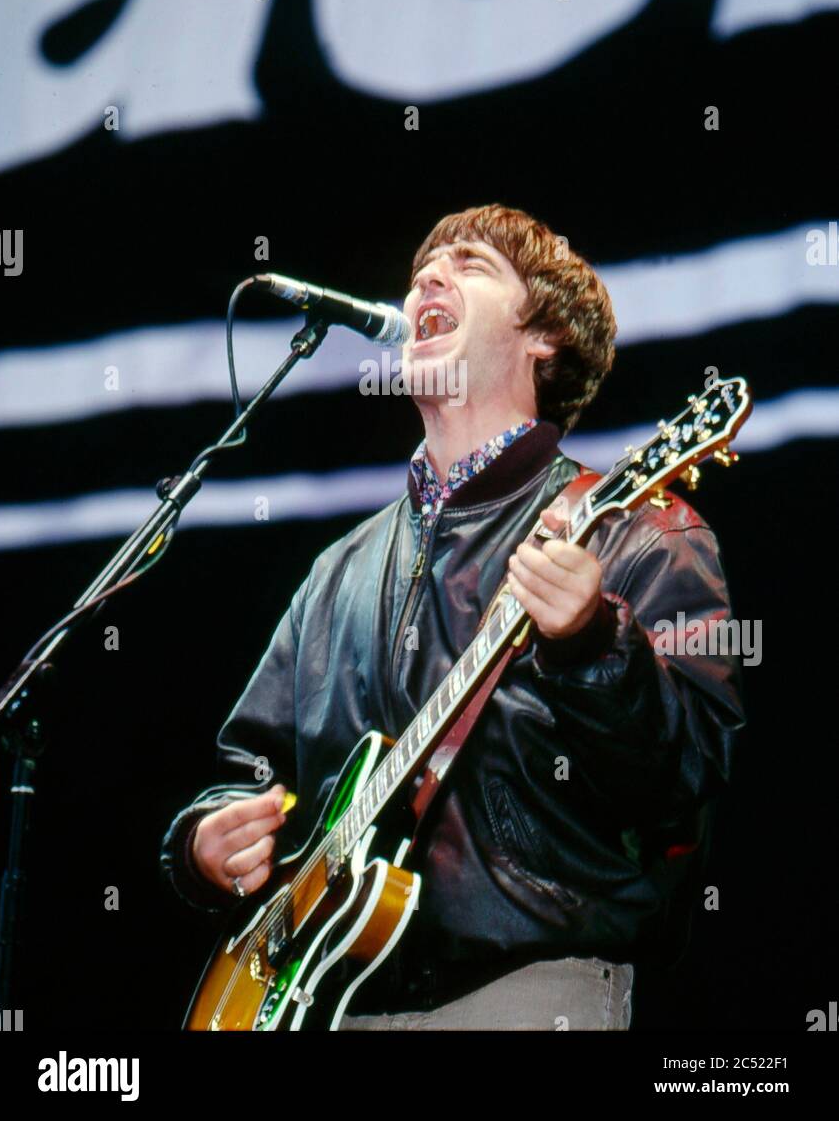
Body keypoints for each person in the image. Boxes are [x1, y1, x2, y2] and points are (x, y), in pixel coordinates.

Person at [160, 203, 745, 1031]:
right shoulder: (338, 571)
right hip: (329, 998)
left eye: (469, 265)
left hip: (524, 989)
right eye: (421, 270)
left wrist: (592, 645)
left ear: (544, 336)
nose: (426, 277)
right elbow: (254, 772)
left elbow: (687, 774)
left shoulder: (638, 531)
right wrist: (203, 846)